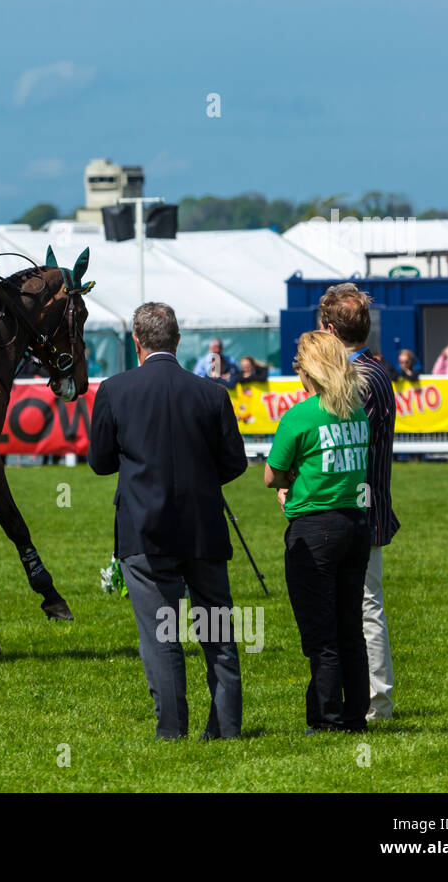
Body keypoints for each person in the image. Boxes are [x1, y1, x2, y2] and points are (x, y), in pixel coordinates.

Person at [89, 302, 248, 741]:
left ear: (136, 342)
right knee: (217, 631)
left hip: (145, 530)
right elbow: (235, 463)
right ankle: (227, 729)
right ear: (177, 340)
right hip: (203, 529)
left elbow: (100, 463)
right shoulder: (212, 393)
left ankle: (172, 731)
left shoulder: (114, 390)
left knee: (161, 635)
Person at [265, 330, 371, 734]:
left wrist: (288, 485)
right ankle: (354, 714)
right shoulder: (355, 410)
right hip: (355, 524)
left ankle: (326, 718)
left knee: (320, 633)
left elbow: (270, 475)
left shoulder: (300, 415)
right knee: (350, 628)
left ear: (309, 370)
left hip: (314, 528)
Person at [320, 283, 399, 722]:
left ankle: (375, 704)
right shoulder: (372, 369)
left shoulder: (363, 378)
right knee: (357, 606)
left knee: (365, 607)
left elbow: (341, 443)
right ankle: (364, 700)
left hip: (358, 512)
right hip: (359, 509)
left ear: (330, 329)